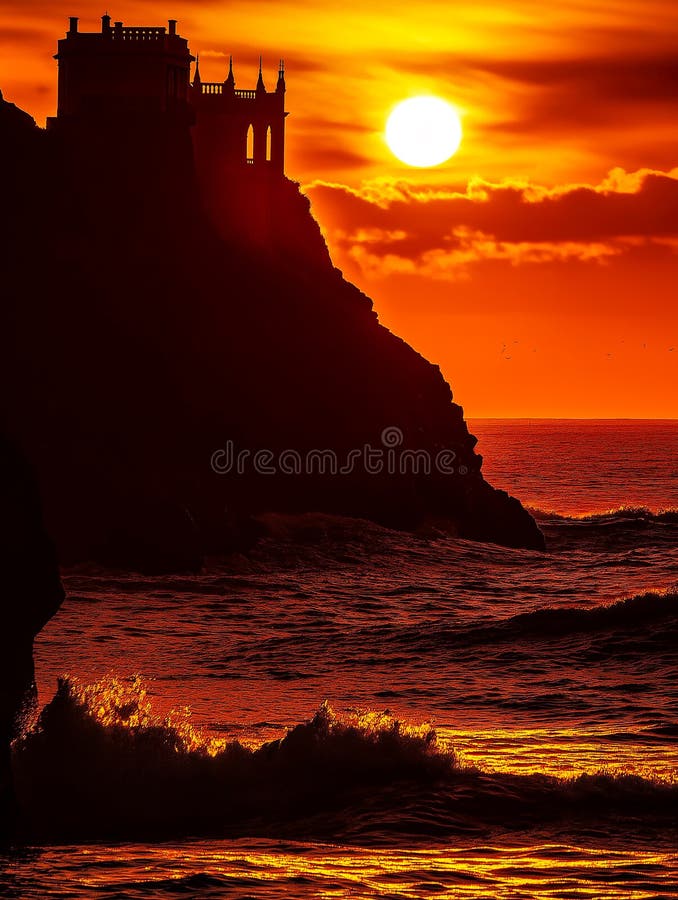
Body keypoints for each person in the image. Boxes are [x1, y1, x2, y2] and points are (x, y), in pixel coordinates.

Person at [0, 433, 64, 840]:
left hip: (12, 663)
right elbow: (51, 592)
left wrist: (15, 631)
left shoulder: (25, 537)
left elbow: (51, 592)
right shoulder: (30, 535)